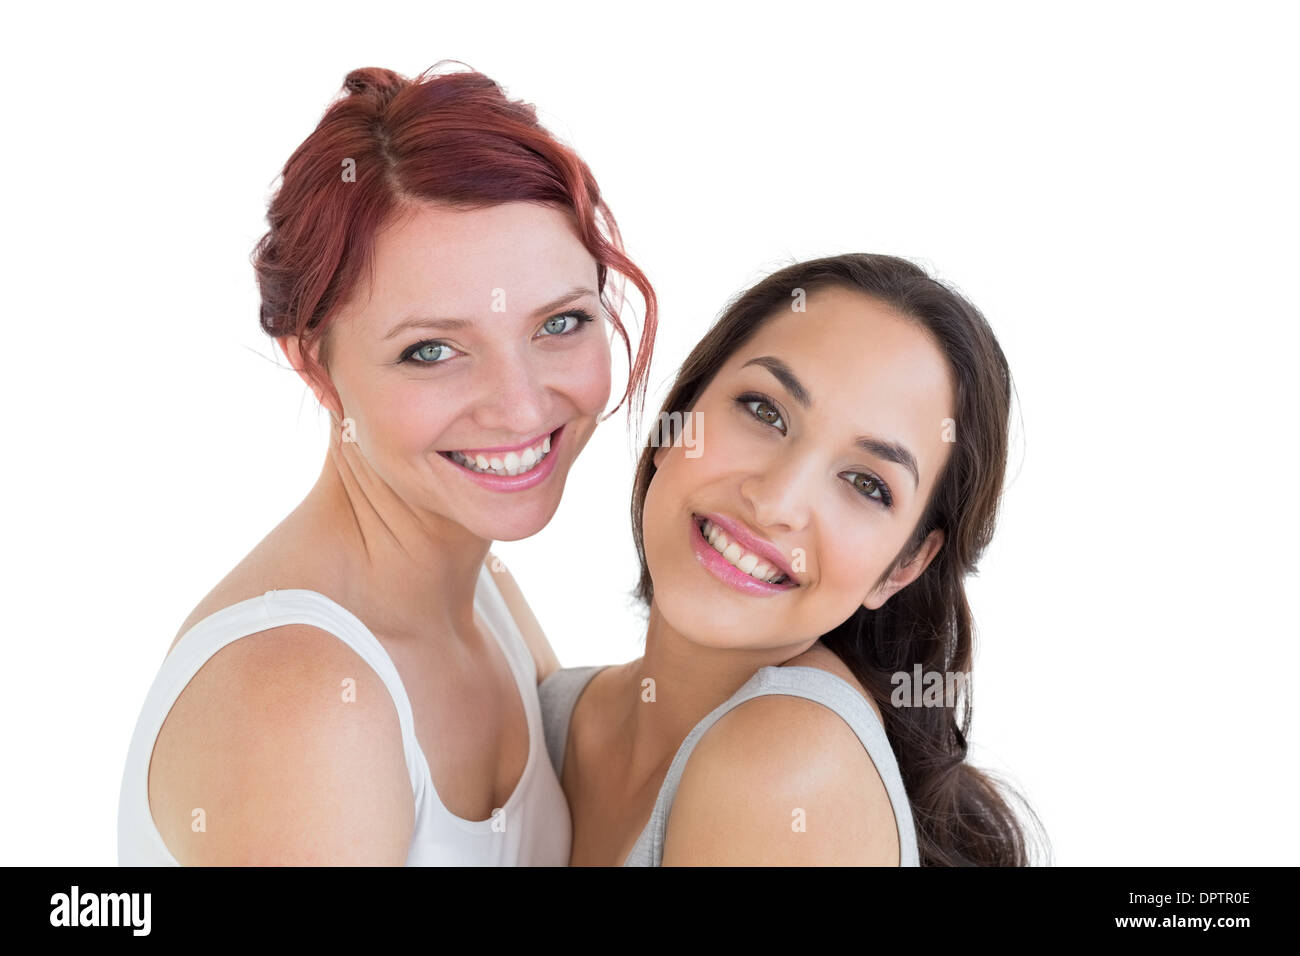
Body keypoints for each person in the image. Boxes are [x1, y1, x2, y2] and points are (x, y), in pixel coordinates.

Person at [117, 62, 657, 865]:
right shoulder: (299, 696)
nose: (518, 406)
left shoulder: (483, 591)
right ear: (315, 365)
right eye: (431, 349)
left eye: (561, 323)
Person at [540, 253, 1044, 865]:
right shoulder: (547, 713)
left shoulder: (787, 768)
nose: (776, 502)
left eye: (866, 484)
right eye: (765, 411)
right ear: (679, 419)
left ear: (904, 565)